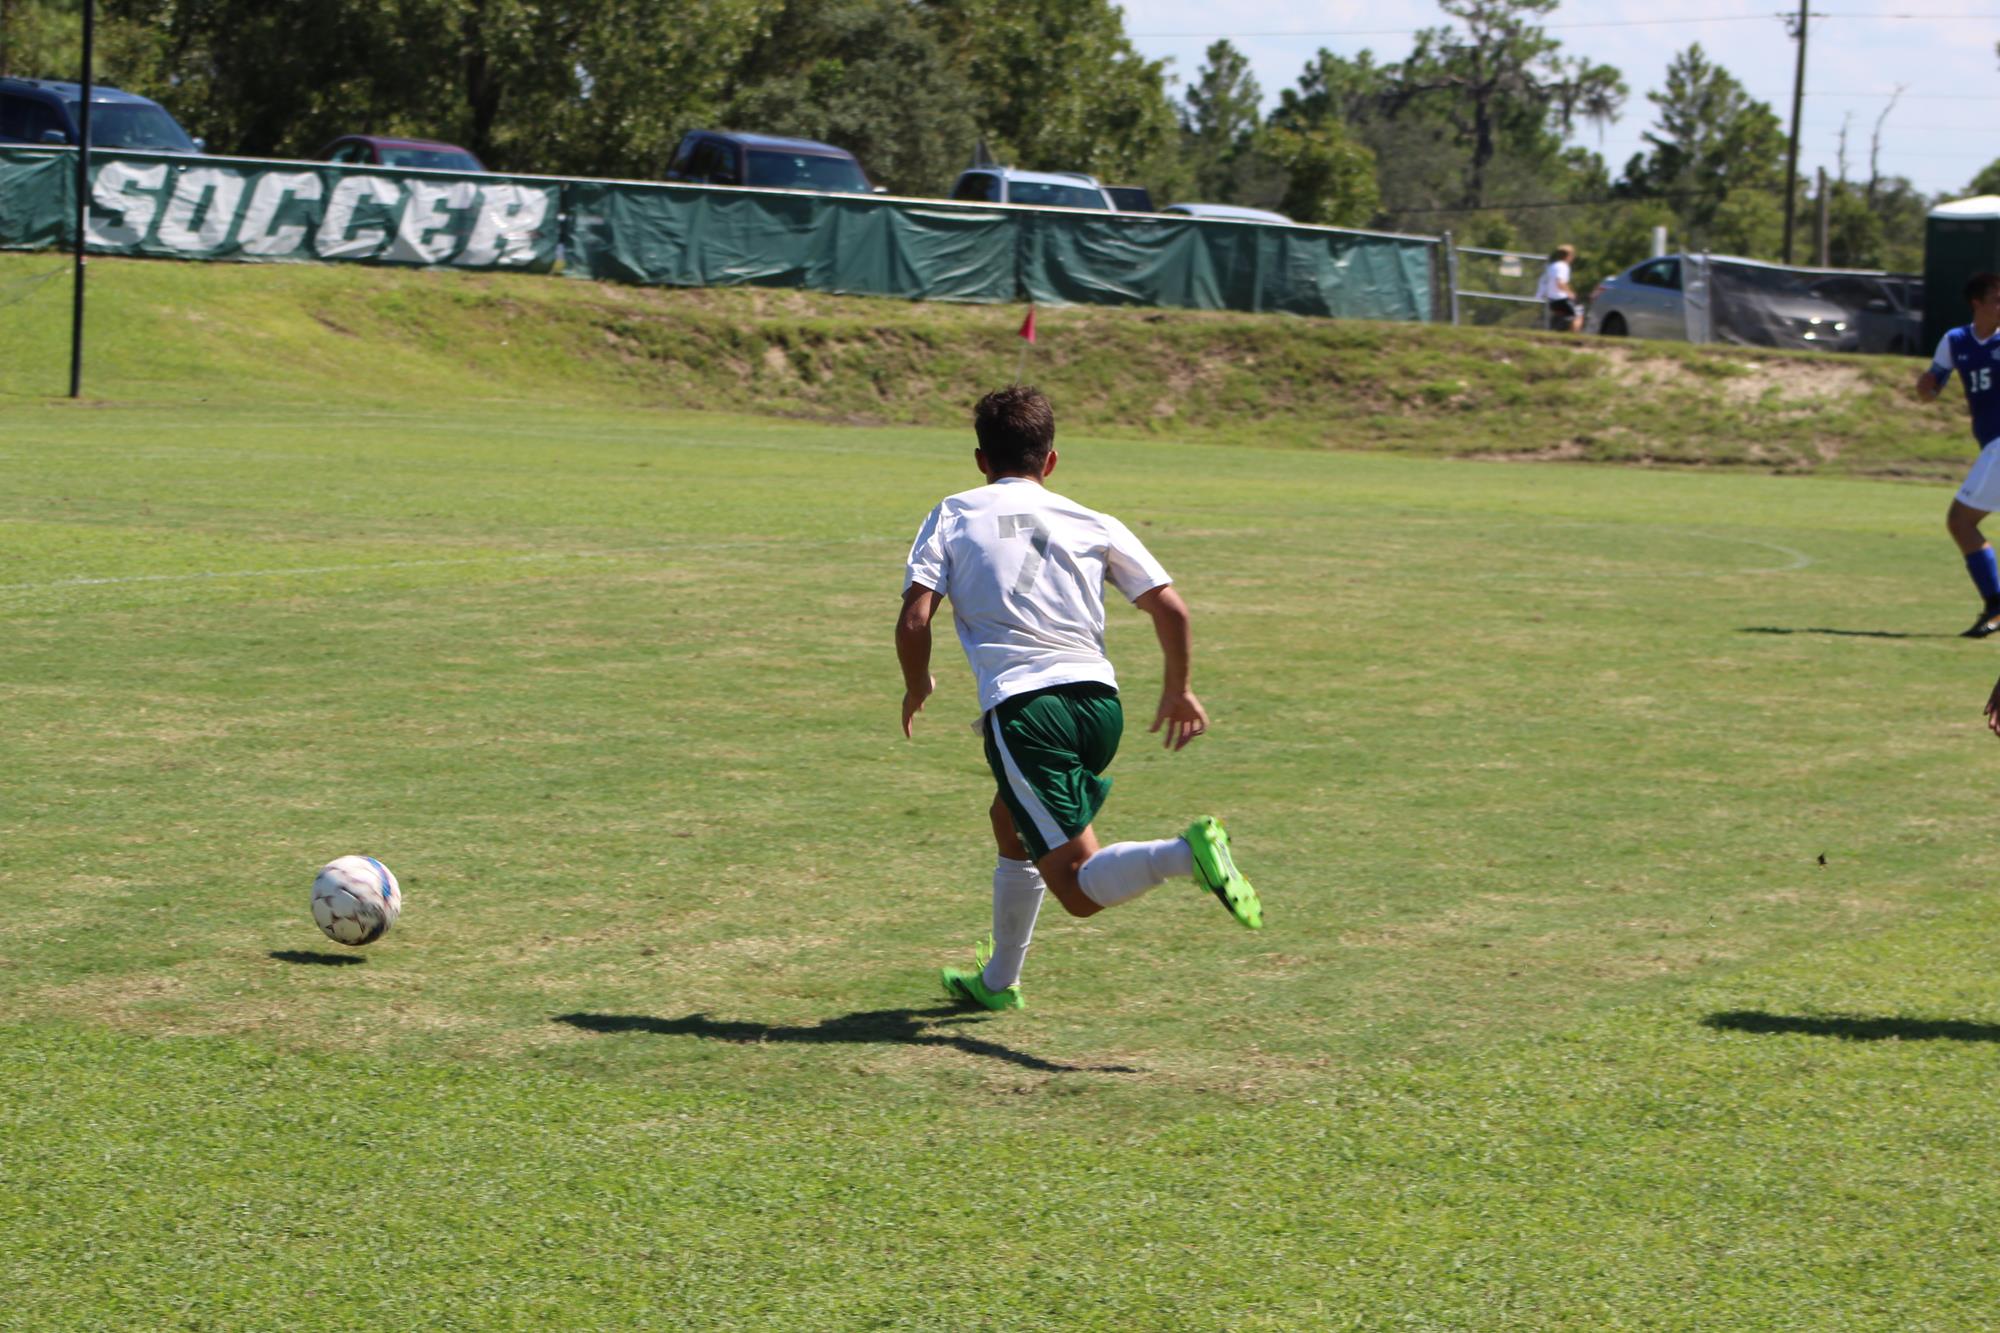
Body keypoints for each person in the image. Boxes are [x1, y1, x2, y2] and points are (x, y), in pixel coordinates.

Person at [896, 385, 1263, 1012]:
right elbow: (1169, 606)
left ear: (981, 459)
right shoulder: (1093, 520)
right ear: (1052, 460)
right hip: (1099, 705)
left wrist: (916, 683)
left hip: (1027, 710)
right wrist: (1178, 689)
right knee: (1009, 822)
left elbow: (915, 619)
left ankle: (1185, 855)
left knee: (1077, 889)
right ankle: (996, 983)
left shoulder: (955, 512)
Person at [1916, 271, 2000, 638]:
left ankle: (1996, 605)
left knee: (1960, 521)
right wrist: (1926, 389)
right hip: (1992, 446)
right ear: (1976, 303)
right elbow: (1932, 387)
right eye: (1997, 298)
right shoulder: (1955, 340)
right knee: (1962, 522)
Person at [1536, 244, 1582, 333]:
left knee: (1562, 318)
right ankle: (1574, 337)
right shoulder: (1563, 266)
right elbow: (1560, 283)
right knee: (1578, 314)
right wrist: (1571, 294)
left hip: (1549, 298)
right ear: (1568, 256)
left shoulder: (1553, 266)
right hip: (1558, 298)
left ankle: (1559, 331)